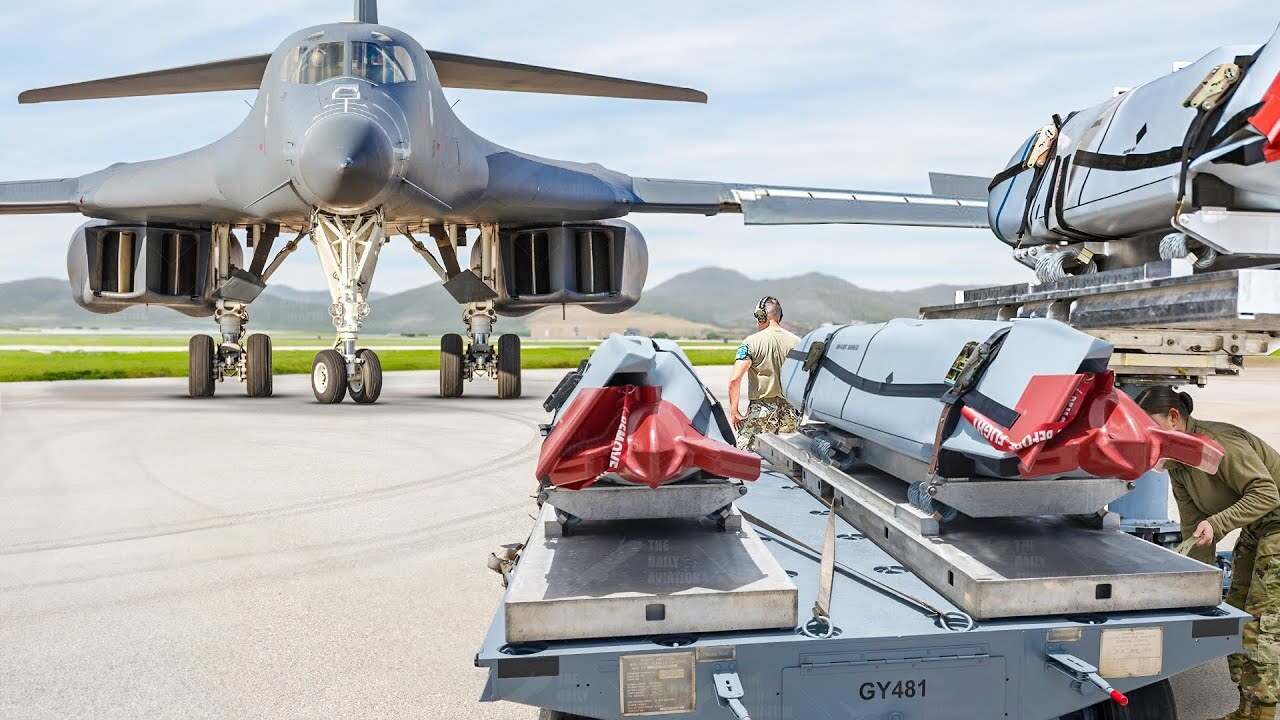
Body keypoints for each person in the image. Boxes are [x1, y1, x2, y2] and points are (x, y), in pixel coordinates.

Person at [1137, 387, 1280, 720]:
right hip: (1258, 527)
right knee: (1234, 614)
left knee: (1262, 620)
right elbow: (1193, 529)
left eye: (1152, 428)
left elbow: (1266, 493)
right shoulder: (1179, 464)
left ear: (1174, 417)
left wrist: (1217, 523)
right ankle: (1246, 708)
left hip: (1276, 520)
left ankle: (1262, 711)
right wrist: (1198, 589)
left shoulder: (1220, 443)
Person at [728, 297, 801, 451]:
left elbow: (735, 379)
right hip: (790, 413)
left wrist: (734, 412)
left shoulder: (751, 342)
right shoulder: (798, 342)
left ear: (762, 316)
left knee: (746, 457)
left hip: (762, 413)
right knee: (787, 460)